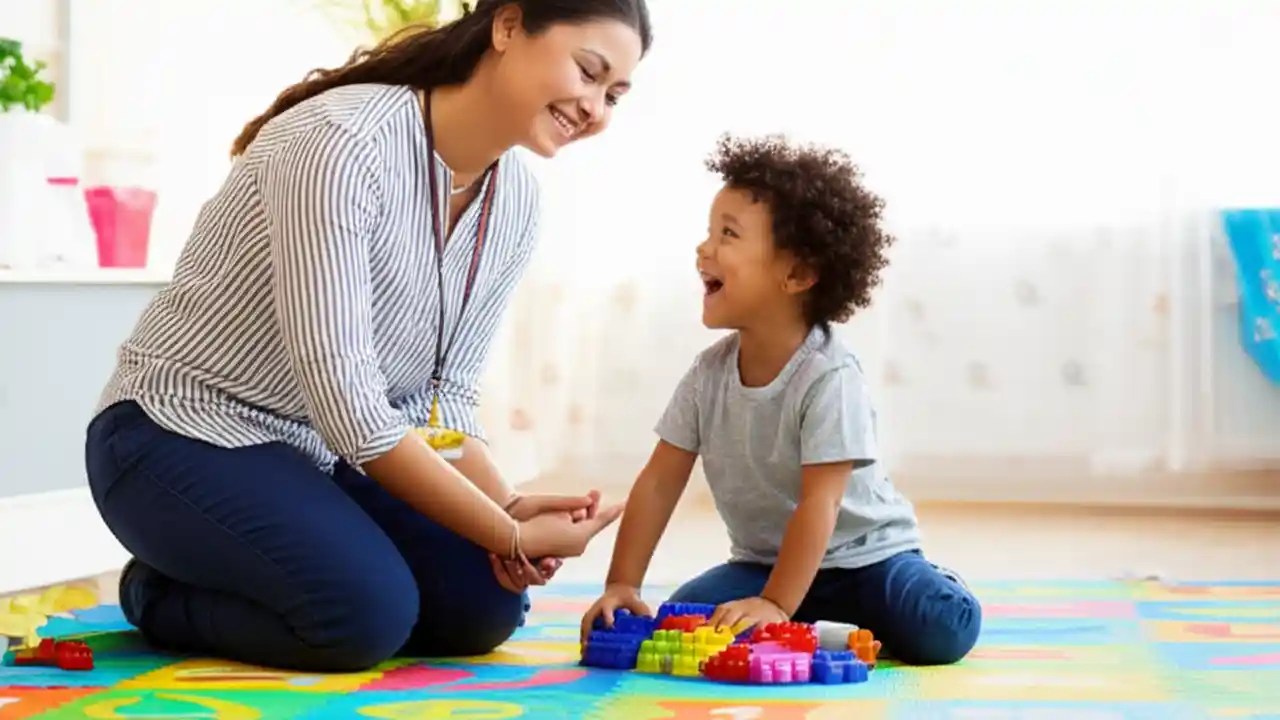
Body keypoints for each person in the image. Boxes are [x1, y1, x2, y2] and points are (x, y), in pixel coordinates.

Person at [84, 0, 651, 673]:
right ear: (506, 27)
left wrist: (506, 505)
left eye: (614, 95)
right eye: (589, 72)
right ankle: (154, 593)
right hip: (177, 435)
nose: (596, 108)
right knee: (361, 617)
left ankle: (267, 564)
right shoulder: (341, 141)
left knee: (480, 608)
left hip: (316, 455)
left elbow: (445, 399)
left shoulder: (515, 202)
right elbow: (349, 403)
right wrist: (508, 532)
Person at [581, 135, 983, 666]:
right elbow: (659, 481)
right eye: (708, 232)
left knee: (940, 629)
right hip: (765, 565)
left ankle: (917, 587)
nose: (704, 249)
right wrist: (622, 583)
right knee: (681, 614)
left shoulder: (828, 376)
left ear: (796, 274)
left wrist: (774, 603)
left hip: (869, 561)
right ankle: (808, 619)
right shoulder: (708, 375)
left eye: (727, 234)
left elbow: (822, 501)